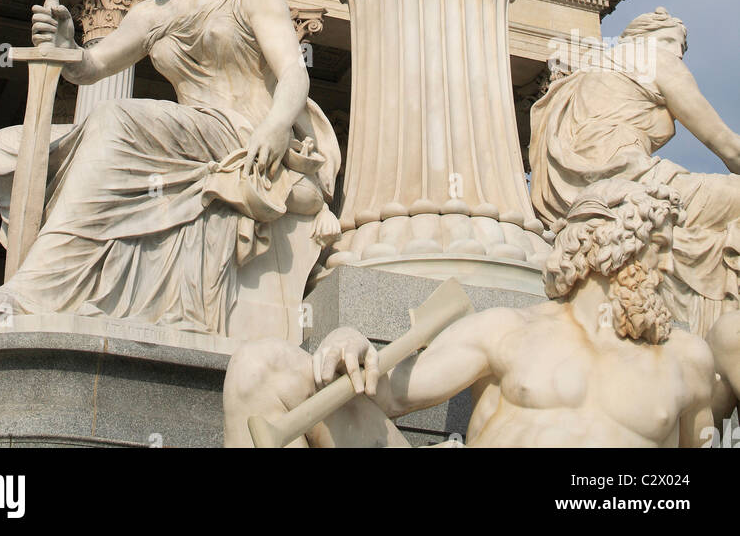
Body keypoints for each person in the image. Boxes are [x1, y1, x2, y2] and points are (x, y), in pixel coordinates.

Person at [0, 0, 339, 337]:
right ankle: (76, 282)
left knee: (115, 120)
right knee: (2, 150)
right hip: (189, 135)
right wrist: (67, 46)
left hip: (243, 134)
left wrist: (274, 128)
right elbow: (93, 66)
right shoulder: (151, 13)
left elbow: (293, 72)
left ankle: (34, 291)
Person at [224, 181, 715, 449]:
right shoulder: (508, 329)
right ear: (608, 247)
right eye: (659, 249)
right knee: (261, 367)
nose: (667, 268)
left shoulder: (686, 359)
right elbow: (388, 394)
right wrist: (350, 339)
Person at [529, 8, 740, 336]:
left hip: (571, 195)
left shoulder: (589, 71)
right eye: (673, 41)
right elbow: (725, 144)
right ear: (648, 39)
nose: (678, 53)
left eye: (682, 47)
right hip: (629, 182)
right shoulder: (654, 59)